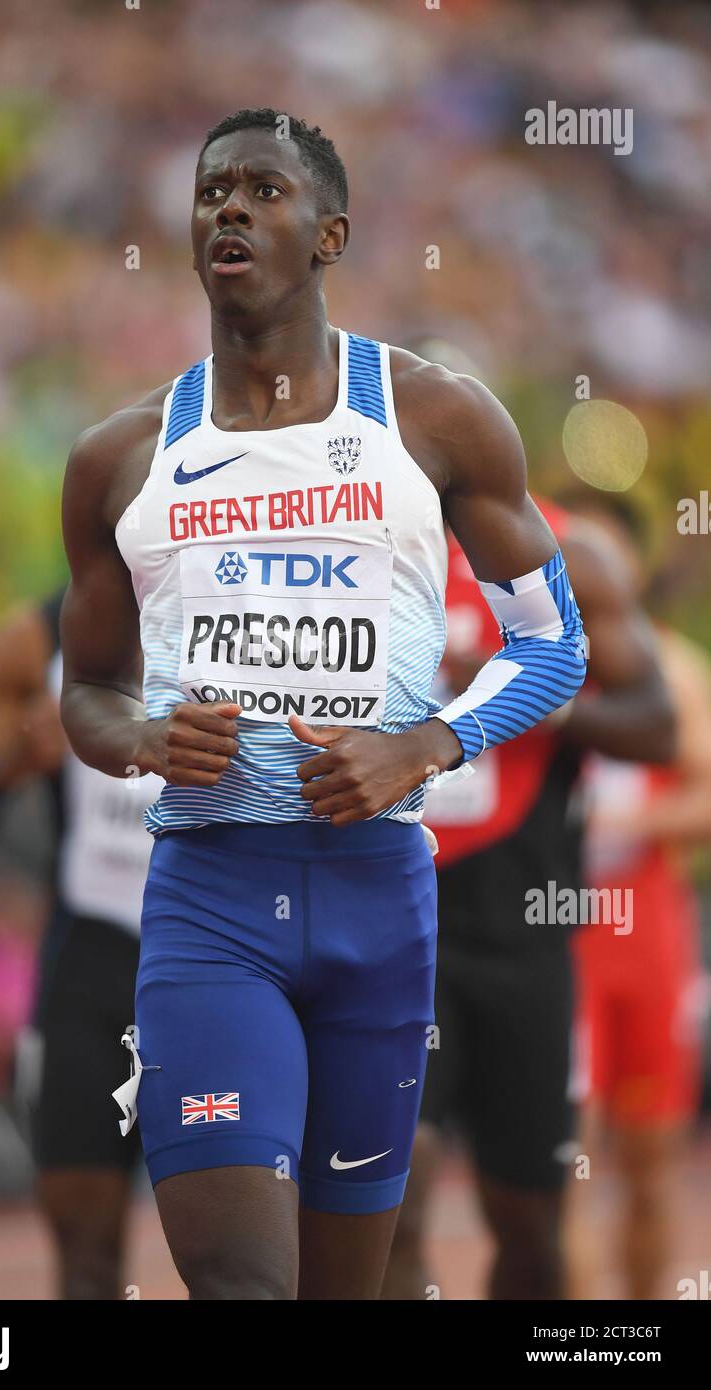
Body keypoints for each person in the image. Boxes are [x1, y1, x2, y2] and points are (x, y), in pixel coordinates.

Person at [59, 107, 587, 1301]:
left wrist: (426, 741)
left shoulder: (435, 417)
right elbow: (86, 693)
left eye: (262, 190)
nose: (229, 209)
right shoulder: (123, 455)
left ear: (330, 232)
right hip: (211, 907)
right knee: (245, 1285)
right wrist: (140, 735)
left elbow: (555, 646)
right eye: (211, 193)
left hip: (379, 909)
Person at [382, 501, 675, 1300]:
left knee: (528, 1221)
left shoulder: (561, 555)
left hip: (526, 933)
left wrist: (541, 701)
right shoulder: (343, 544)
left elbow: (658, 727)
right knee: (389, 1199)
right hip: (394, 930)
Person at [0, 590, 163, 1298]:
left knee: (246, 1257)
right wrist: (2, 771)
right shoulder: (35, 641)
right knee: (85, 1259)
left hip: (232, 961)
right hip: (91, 967)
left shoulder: (259, 597)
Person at [568, 504, 710, 1300]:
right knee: (564, 1160)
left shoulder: (672, 666)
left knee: (653, 1160)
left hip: (647, 930)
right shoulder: (522, 661)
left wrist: (619, 820)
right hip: (554, 932)